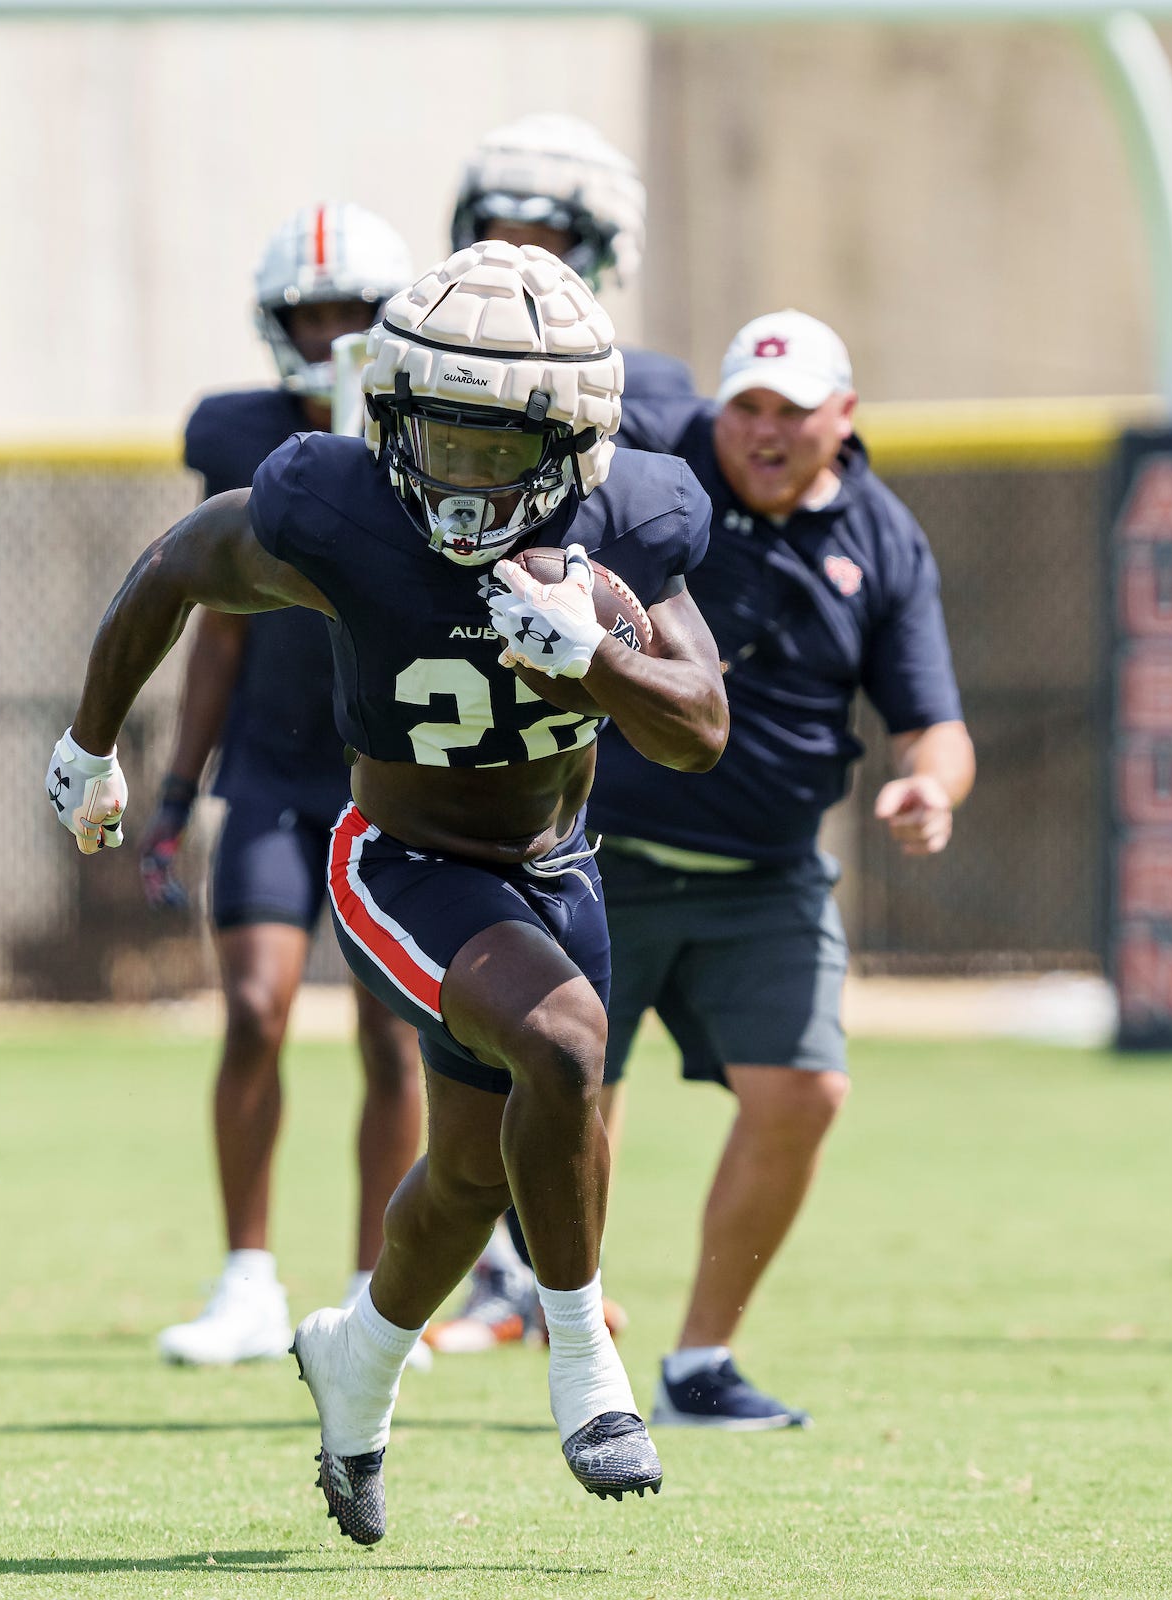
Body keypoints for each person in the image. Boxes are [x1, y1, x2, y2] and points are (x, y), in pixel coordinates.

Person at [47, 242, 727, 1539]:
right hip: (400, 862)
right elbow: (178, 565)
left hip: (553, 870)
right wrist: (90, 745)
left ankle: (353, 1364)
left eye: (492, 448)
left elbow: (699, 725)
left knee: (468, 1180)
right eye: (436, 440)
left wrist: (595, 661)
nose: (457, 478)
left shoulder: (630, 518)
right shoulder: (338, 507)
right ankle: (586, 1366)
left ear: (576, 449)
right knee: (570, 1045)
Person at [589, 311, 972, 1429]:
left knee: (805, 1089)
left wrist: (929, 788)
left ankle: (700, 1362)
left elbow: (934, 721)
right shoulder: (655, 493)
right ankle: (565, 1309)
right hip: (597, 854)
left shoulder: (886, 539)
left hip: (764, 875)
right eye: (746, 407)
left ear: (842, 421)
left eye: (792, 412)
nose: (764, 431)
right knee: (562, 1094)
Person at [136, 203, 433, 1370]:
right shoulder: (241, 431)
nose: (331, 334)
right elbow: (217, 619)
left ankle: (378, 1293)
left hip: (394, 774)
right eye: (309, 313)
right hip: (272, 765)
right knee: (255, 1009)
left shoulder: (432, 430)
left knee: (390, 1035)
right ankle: (247, 1277)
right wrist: (175, 790)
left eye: (352, 311)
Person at [429, 109, 693, 1353]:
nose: (521, 256)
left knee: (587, 1038)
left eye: (549, 235)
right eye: (499, 232)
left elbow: (674, 587)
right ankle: (479, 1270)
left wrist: (612, 654)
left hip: (586, 748)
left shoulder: (658, 418)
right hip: (452, 736)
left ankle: (553, 1271)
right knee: (483, 1044)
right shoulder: (425, 367)